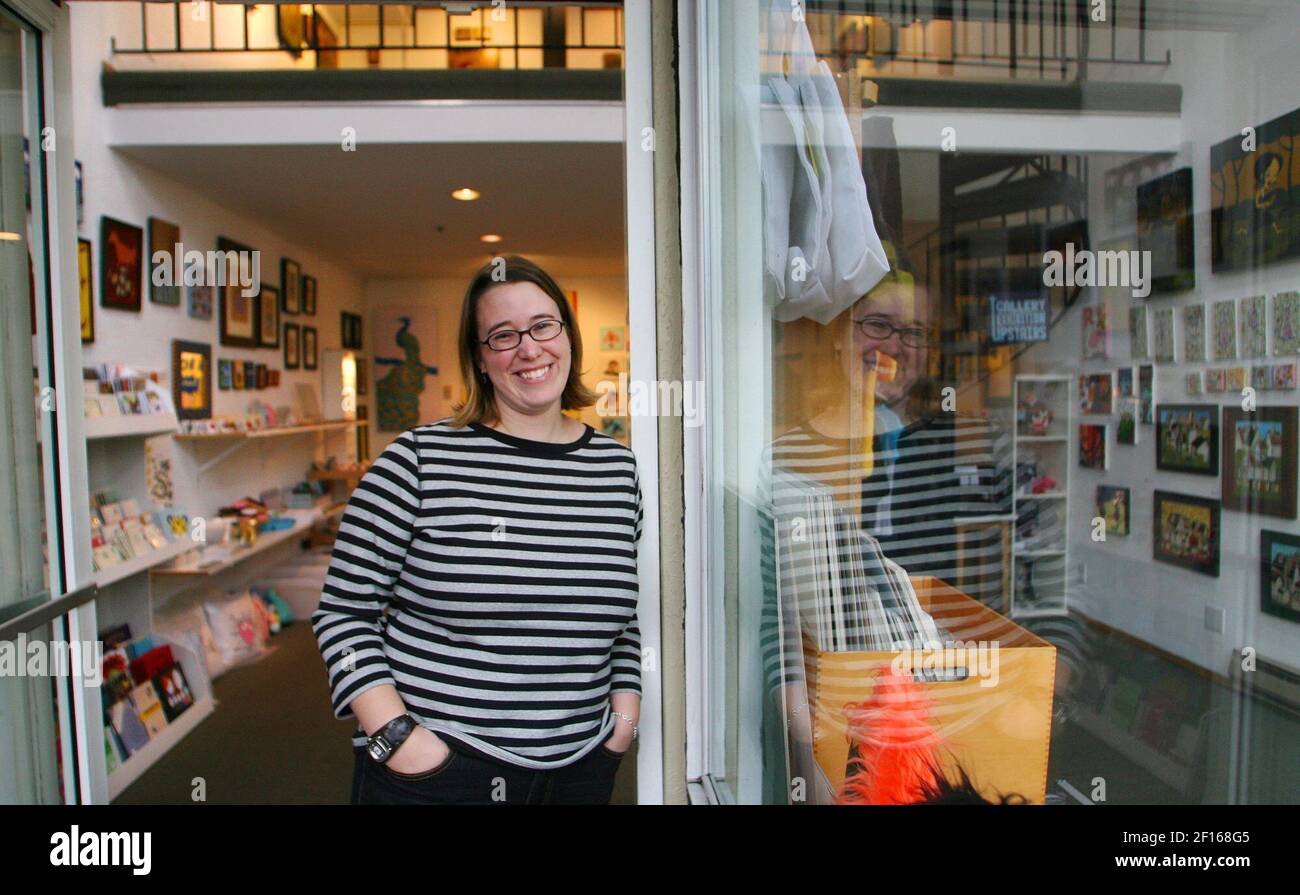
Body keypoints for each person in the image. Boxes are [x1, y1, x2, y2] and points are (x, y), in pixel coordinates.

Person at [313, 255, 643, 805]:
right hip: (439, 772)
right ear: (480, 360)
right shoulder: (417, 461)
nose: (529, 348)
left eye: (543, 325)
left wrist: (622, 723)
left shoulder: (617, 470)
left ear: (567, 335)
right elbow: (343, 613)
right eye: (502, 335)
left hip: (580, 769)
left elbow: (624, 619)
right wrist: (398, 739)